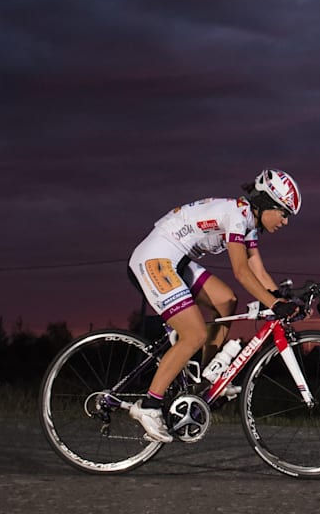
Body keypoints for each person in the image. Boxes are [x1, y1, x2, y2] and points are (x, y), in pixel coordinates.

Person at [126, 169, 303, 442]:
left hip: (177, 260)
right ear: (268, 204)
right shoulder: (236, 215)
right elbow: (242, 271)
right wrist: (273, 303)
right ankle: (149, 405)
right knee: (194, 334)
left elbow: (259, 271)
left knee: (226, 301)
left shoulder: (248, 221)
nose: (286, 221)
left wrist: (284, 300)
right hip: (156, 257)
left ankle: (207, 383)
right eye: (284, 212)